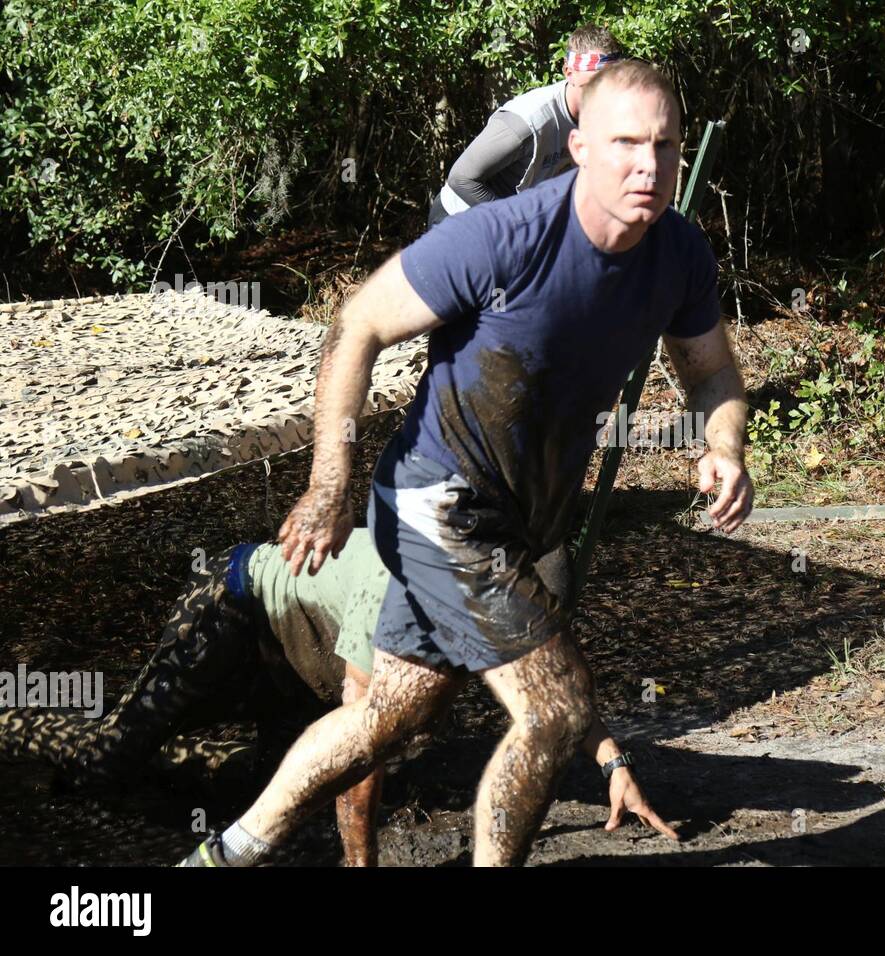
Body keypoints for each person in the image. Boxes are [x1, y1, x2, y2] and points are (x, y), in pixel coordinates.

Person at [179, 59, 753, 868]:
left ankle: (227, 852)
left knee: (388, 718)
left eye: (664, 146)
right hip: (436, 503)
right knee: (556, 709)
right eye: (626, 143)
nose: (648, 166)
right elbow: (356, 326)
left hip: (514, 523)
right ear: (580, 146)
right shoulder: (502, 237)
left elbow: (712, 371)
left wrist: (722, 446)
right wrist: (329, 483)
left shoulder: (679, 255)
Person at [0, 534, 675, 866]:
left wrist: (613, 764)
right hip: (232, 615)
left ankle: (174, 754)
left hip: (300, 674)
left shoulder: (500, 586)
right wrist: (361, 865)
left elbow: (550, 689)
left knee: (261, 789)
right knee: (111, 757)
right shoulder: (404, 580)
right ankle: (16, 721)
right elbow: (364, 730)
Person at [427, 24, 623, 228]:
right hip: (459, 219)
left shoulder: (607, 115)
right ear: (569, 72)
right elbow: (461, 179)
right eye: (592, 84)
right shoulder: (529, 121)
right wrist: (515, 221)